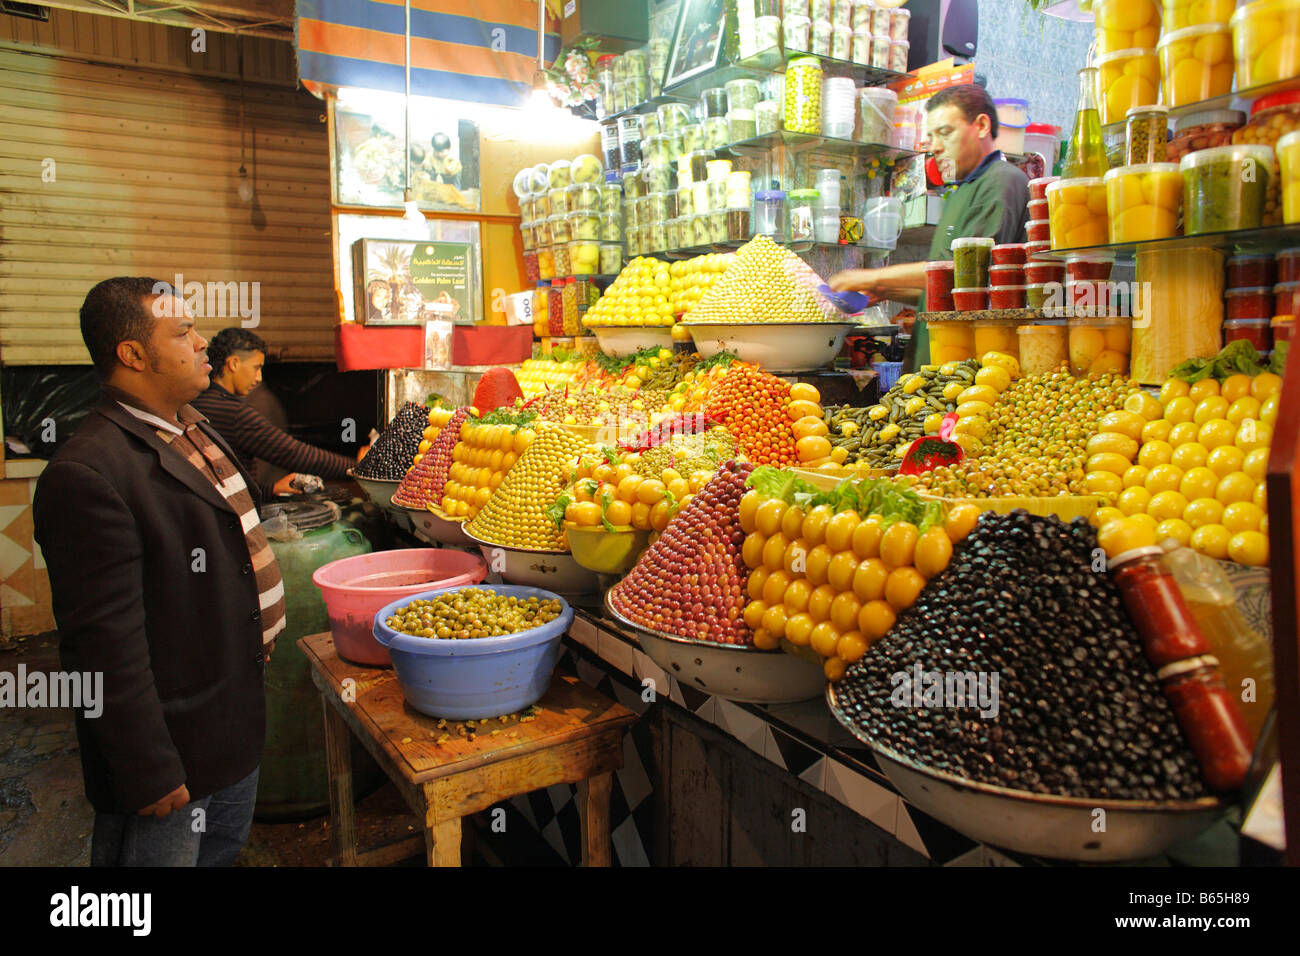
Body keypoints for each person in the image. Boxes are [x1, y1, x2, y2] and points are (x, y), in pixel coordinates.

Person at [33, 277, 285, 867]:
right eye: (183, 332)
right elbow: (101, 646)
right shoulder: (90, 471)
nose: (203, 344)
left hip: (228, 724)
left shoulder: (192, 427)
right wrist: (144, 767)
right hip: (172, 754)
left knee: (220, 854)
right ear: (133, 354)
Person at [830, 83, 1030, 366]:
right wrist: (886, 291)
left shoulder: (1001, 182)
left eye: (945, 133)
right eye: (931, 136)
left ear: (982, 125)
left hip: (967, 369)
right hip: (934, 366)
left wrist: (869, 277)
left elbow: (964, 274)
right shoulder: (961, 191)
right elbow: (946, 291)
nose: (935, 146)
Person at [190, 328, 364, 499]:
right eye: (256, 368)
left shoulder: (196, 402)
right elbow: (295, 454)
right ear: (234, 363)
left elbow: (225, 486)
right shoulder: (235, 413)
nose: (258, 378)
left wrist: (271, 489)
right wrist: (357, 467)